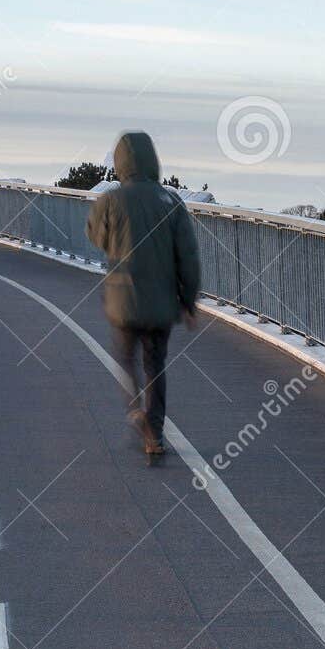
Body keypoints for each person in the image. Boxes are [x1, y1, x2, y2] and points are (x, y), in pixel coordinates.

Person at [86, 131, 202, 455]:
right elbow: (188, 257)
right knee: (155, 364)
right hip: (161, 303)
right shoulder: (171, 202)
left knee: (125, 360)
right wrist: (189, 301)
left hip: (123, 301)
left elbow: (97, 237)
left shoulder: (110, 200)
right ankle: (155, 433)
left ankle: (135, 409)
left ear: (120, 162)